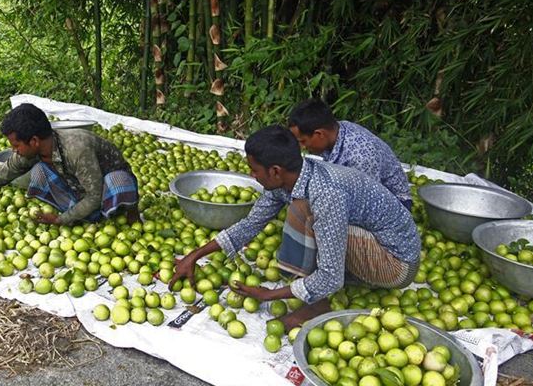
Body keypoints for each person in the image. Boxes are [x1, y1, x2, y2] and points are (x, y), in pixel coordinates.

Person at [169, 126, 420, 330]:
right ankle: (317, 291)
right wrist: (194, 256)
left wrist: (269, 295)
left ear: (275, 171)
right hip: (373, 244)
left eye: (255, 171)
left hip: (395, 264)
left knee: (304, 213)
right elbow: (250, 224)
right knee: (305, 213)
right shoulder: (290, 179)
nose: (252, 176)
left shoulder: (325, 193)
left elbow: (331, 277)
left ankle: (315, 306)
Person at [0, 103, 140, 225]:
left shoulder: (77, 148)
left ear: (34, 141)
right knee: (39, 172)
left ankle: (128, 213)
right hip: (79, 183)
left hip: (107, 181)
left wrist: (60, 220)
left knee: (118, 181)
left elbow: (95, 195)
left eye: (16, 145)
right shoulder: (31, 152)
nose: (14, 150)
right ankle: (88, 216)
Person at [288, 98, 412, 209]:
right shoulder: (336, 130)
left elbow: (369, 204)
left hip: (393, 205)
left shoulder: (360, 157)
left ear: (319, 134)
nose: (302, 147)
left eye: (302, 141)